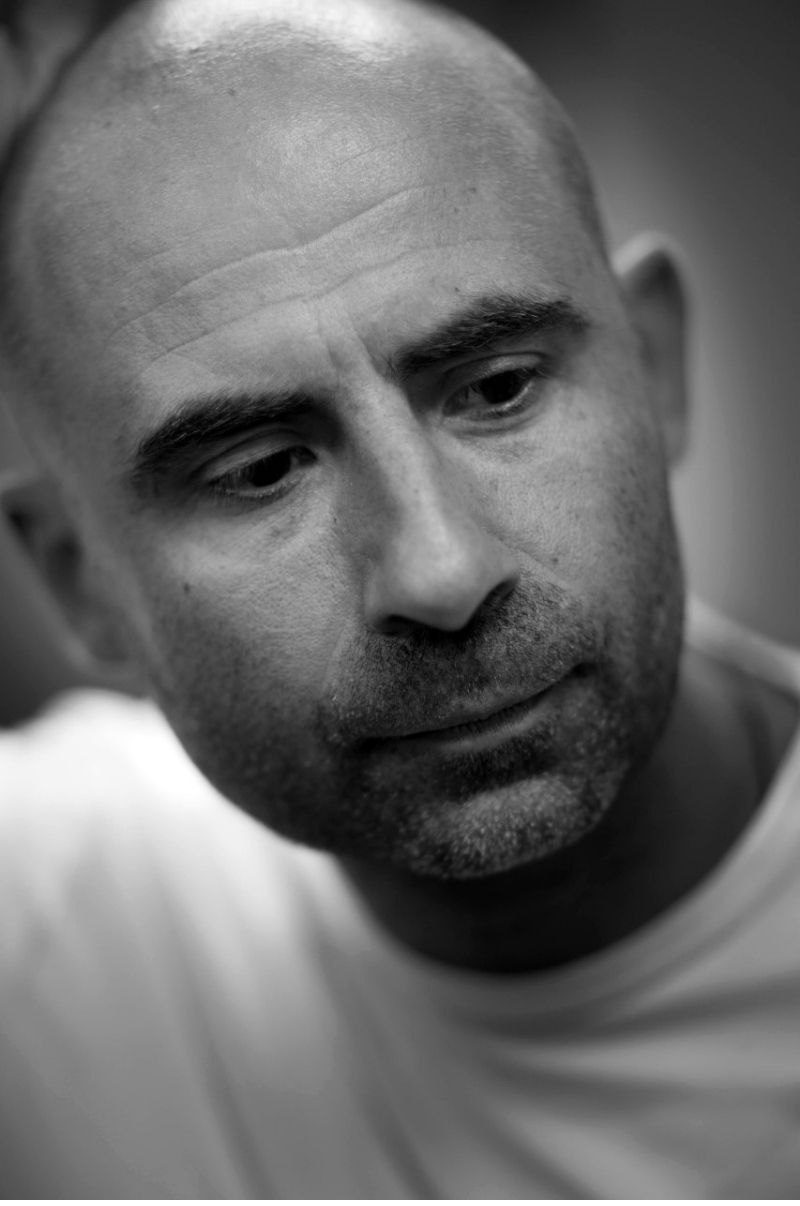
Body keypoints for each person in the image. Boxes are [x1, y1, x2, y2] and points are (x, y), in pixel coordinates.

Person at [0, 0, 798, 1196]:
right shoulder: (58, 922)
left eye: (497, 388)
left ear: (655, 366)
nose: (439, 572)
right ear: (79, 582)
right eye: (260, 470)